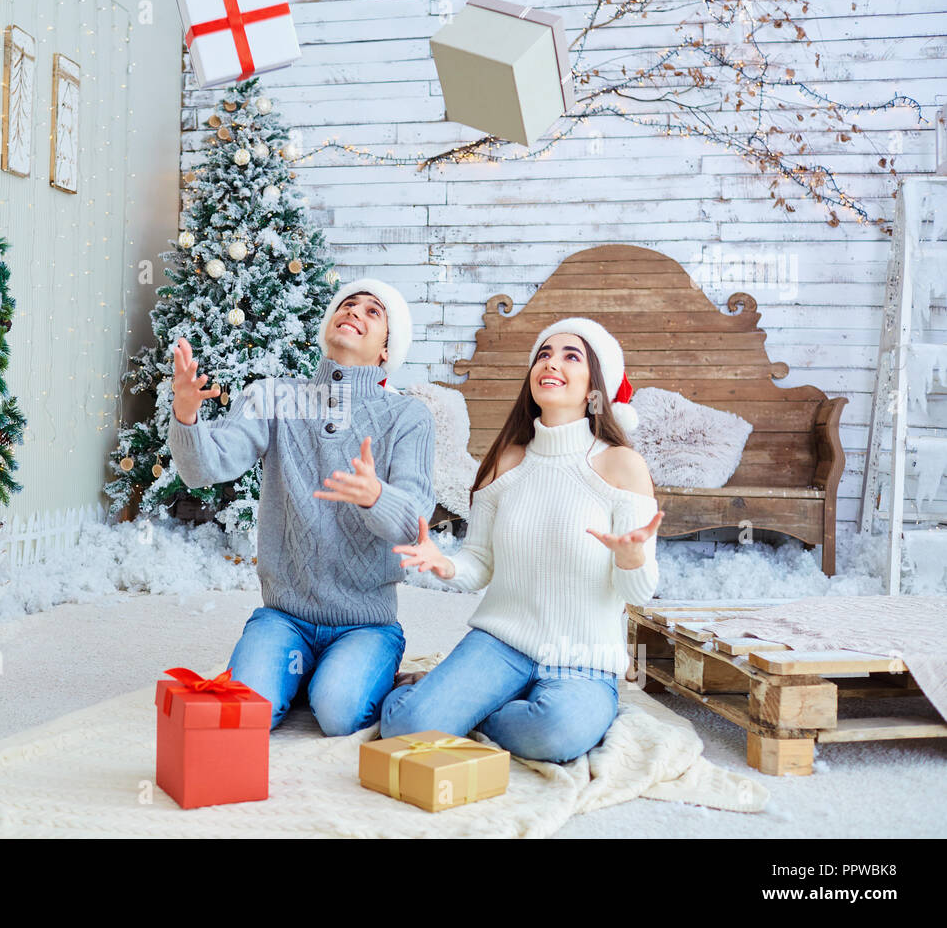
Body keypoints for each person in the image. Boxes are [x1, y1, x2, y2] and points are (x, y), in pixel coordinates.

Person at [382, 317, 663, 763]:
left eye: (571, 356)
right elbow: (479, 564)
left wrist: (631, 558)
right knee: (405, 727)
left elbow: (640, 590)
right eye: (544, 354)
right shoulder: (507, 461)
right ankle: (455, 699)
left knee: (555, 734)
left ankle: (475, 709)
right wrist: (445, 563)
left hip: (582, 655)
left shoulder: (621, 464)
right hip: (502, 642)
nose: (551, 363)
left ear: (597, 383)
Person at [167, 278, 435, 735]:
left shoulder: (407, 416)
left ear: (388, 349)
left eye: (373, 312)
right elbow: (204, 470)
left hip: (364, 624)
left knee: (338, 714)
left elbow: (414, 524)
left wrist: (377, 496)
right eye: (347, 304)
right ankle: (305, 670)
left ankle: (349, 673)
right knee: (241, 719)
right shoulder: (273, 396)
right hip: (285, 616)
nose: (354, 312)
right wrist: (186, 414)